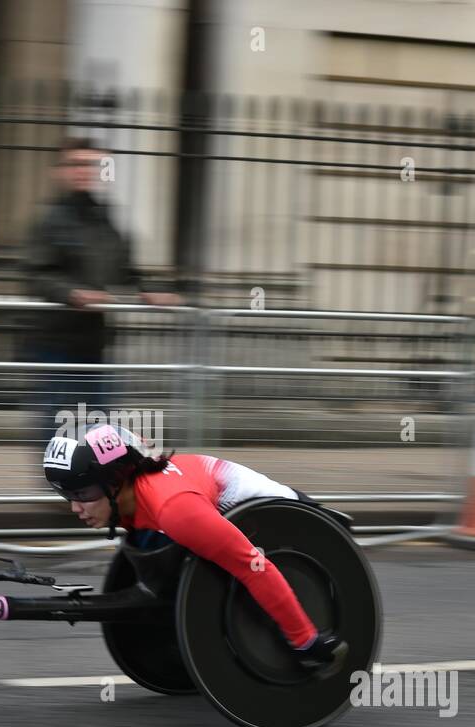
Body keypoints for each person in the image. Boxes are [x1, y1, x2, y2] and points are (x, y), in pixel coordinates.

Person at [42, 423, 348, 674]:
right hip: (218, 514)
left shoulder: (175, 510)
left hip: (292, 529)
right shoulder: (133, 491)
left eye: (83, 492)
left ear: (116, 480)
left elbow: (256, 568)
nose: (75, 507)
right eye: (66, 495)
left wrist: (306, 641)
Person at [26, 137, 181, 438]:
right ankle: (52, 482)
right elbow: (36, 274)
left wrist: (148, 290)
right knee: (58, 424)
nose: (83, 171)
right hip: (56, 342)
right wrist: (72, 293)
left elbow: (124, 270)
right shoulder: (51, 220)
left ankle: (90, 484)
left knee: (98, 427)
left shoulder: (104, 219)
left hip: (94, 342)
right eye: (75, 164)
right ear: (60, 171)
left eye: (90, 164)